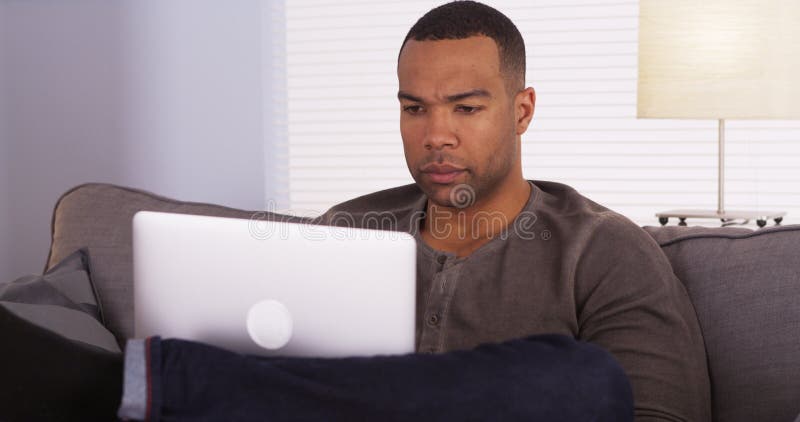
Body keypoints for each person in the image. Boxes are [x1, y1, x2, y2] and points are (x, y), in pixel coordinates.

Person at [2, 2, 708, 421]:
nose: (436, 134)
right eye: (414, 108)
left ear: (521, 110)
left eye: (466, 107)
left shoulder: (602, 249)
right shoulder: (345, 228)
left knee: (586, 382)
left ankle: (133, 382)